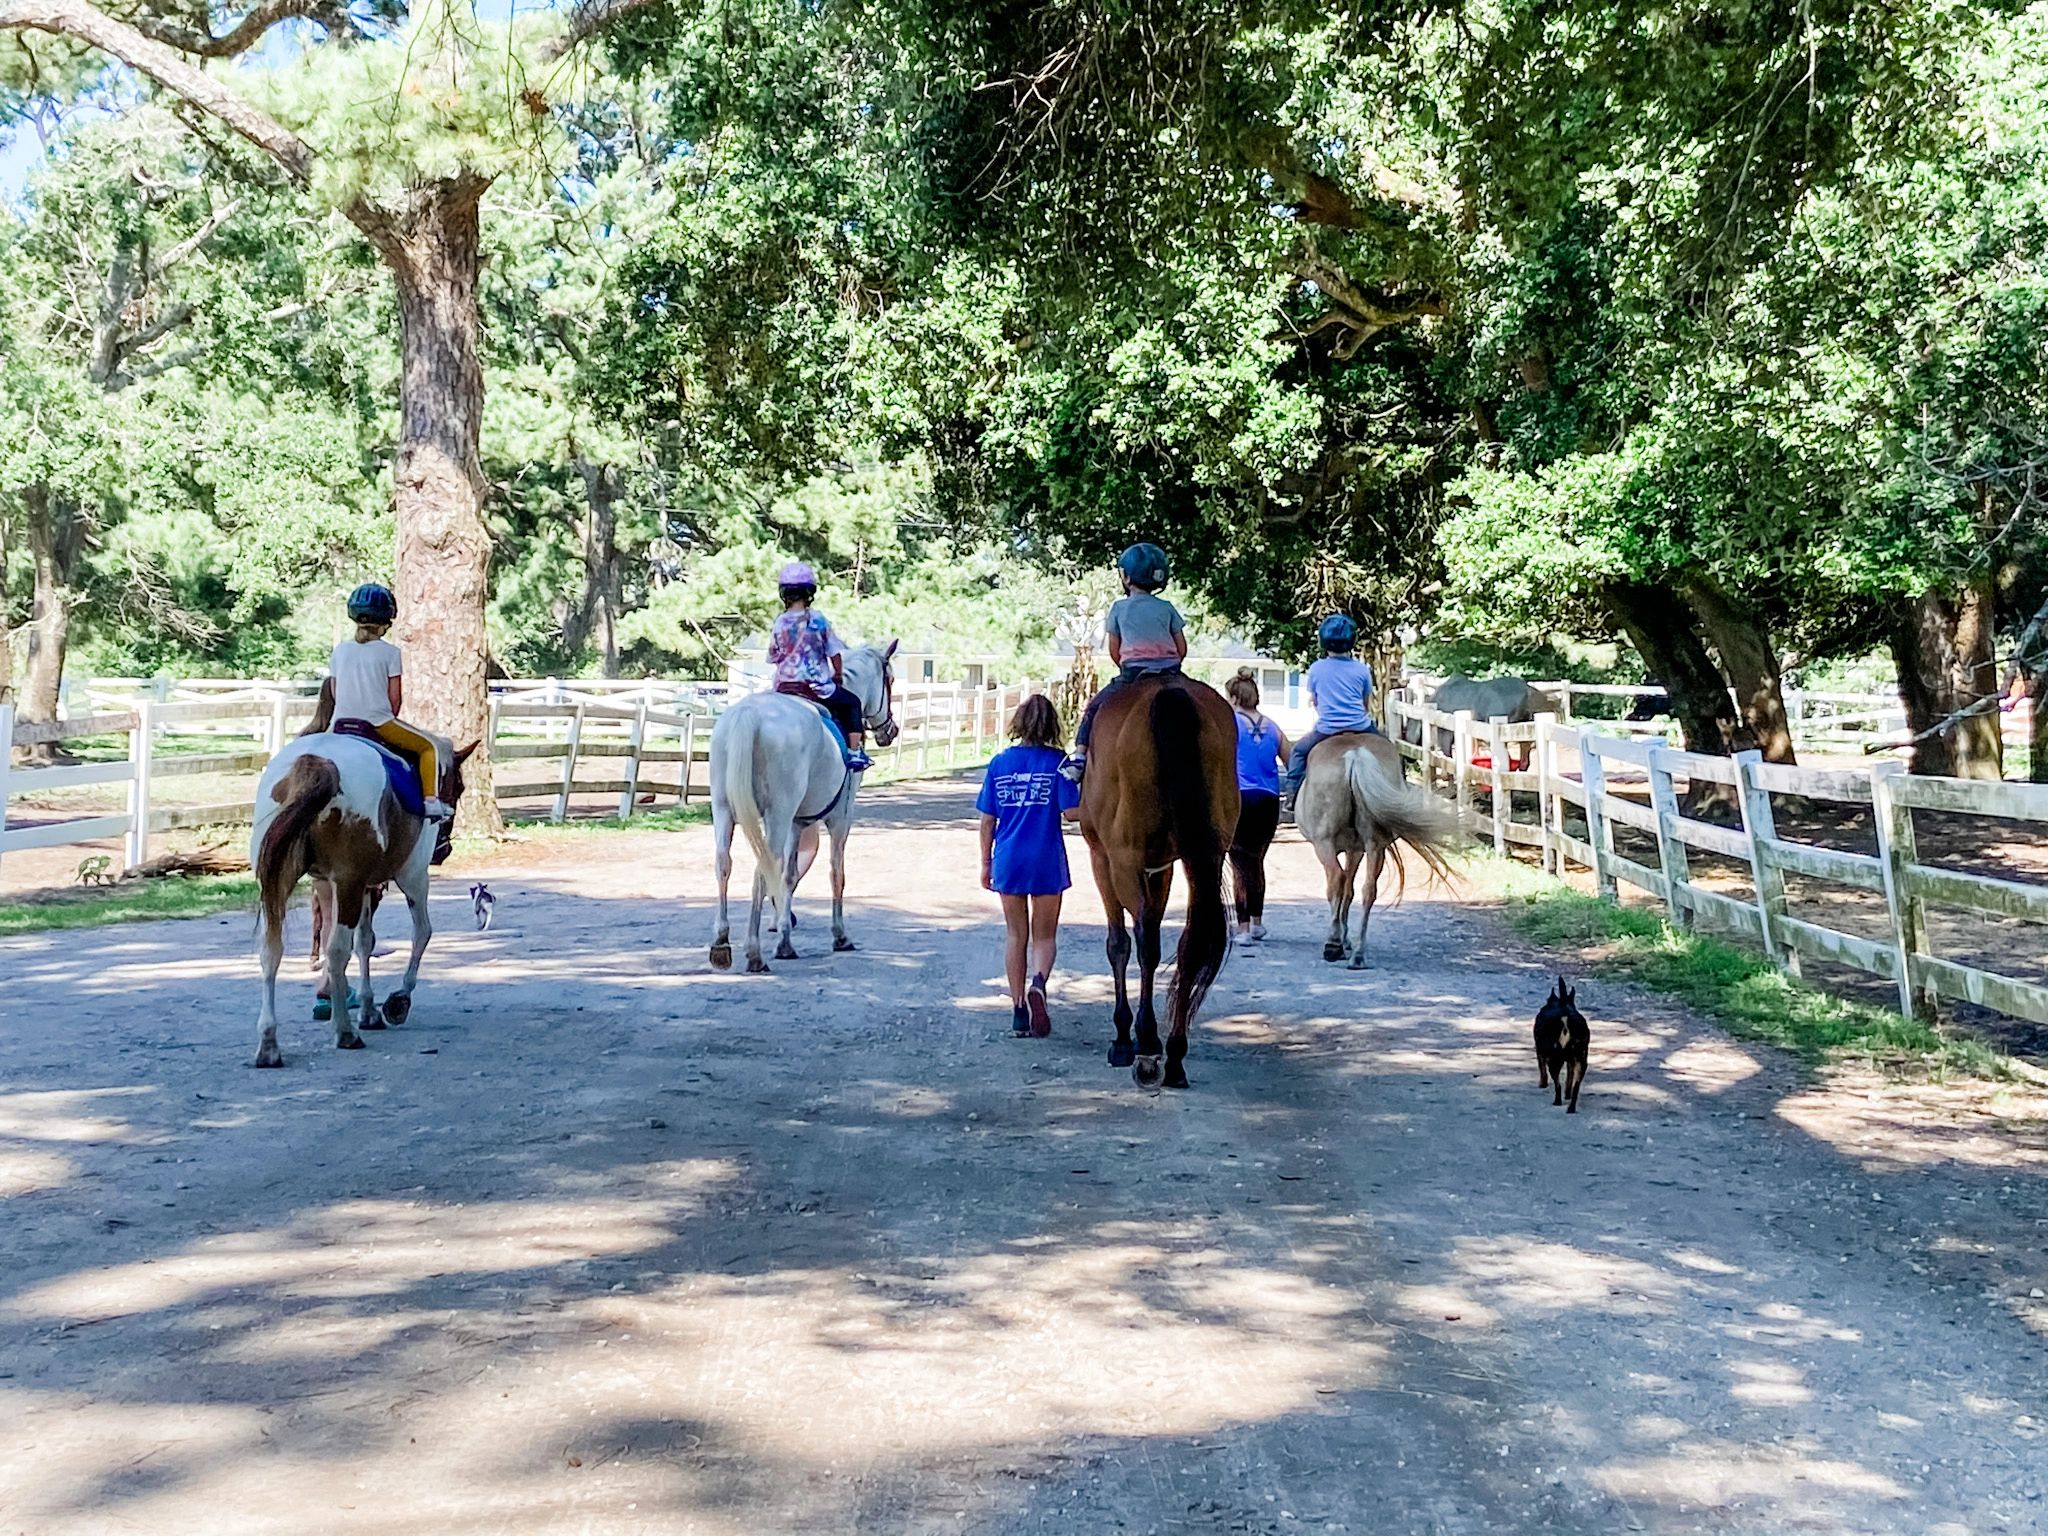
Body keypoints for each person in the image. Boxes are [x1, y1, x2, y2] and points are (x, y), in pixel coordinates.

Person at [978, 694, 1082, 1037]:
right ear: (1052, 724)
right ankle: (1038, 982)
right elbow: (1071, 814)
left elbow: (987, 820)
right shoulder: (1059, 763)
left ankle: (1019, 1009)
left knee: (1014, 935)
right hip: (1046, 857)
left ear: (1018, 723)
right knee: (1045, 935)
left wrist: (985, 863)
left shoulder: (999, 763)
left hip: (1008, 857)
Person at [1060, 542, 1188, 781]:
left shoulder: (1119, 608)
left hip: (1133, 673)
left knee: (1094, 708)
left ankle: (1079, 757)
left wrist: (1128, 665)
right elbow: (1182, 647)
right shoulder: (1167, 607)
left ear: (1126, 577)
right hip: (1171, 670)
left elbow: (1115, 651)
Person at [330, 583, 451, 819]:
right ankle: (431, 802)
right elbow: (395, 699)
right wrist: (388, 715)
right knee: (429, 747)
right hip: (378, 723)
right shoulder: (390, 653)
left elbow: (335, 692)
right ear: (385, 623)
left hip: (339, 723)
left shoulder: (340, 651)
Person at [767, 562, 871, 772]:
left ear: (784, 593)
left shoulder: (780, 622)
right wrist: (838, 674)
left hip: (784, 686)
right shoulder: (818, 620)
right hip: (816, 687)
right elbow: (834, 652)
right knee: (852, 703)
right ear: (809, 592)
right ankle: (854, 752)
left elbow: (773, 655)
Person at [1280, 613, 1375, 820]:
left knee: (1297, 753)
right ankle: (1400, 789)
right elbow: (1365, 703)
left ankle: (1292, 795)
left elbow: (1315, 700)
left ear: (1324, 642)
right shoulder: (1362, 670)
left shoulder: (1316, 669)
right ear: (1352, 641)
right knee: (1391, 752)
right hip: (1361, 726)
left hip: (1327, 729)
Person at [1226, 667, 1289, 941]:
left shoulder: (1229, 724)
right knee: (1257, 860)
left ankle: (1242, 928)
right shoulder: (1272, 726)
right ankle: (1257, 921)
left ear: (1234, 697)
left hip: (1240, 796)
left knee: (1239, 861)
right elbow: (1290, 760)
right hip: (1269, 799)